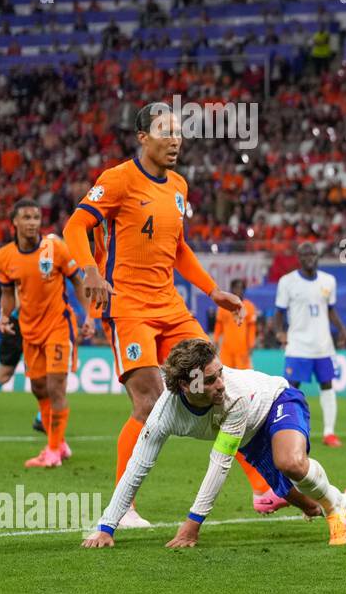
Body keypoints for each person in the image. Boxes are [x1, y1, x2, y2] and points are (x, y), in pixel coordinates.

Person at [63, 103, 258, 528]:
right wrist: (90, 271)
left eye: (179, 131)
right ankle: (123, 508)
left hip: (171, 305)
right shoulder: (117, 180)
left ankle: (263, 489)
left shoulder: (179, 186)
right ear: (142, 137)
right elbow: (74, 229)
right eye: (165, 130)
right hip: (129, 305)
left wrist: (213, 291)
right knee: (149, 402)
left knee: (218, 385)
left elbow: (180, 249)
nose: (175, 139)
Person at [81, 339, 346, 548]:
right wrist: (106, 527)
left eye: (220, 373)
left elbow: (219, 464)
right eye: (211, 380)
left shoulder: (232, 398)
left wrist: (192, 524)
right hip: (250, 440)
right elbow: (137, 467)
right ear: (187, 386)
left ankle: (336, 513)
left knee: (290, 462)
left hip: (277, 400)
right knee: (308, 504)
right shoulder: (164, 414)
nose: (221, 383)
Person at [0, 199, 95, 467]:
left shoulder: (55, 248)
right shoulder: (5, 257)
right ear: (14, 222)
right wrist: (4, 317)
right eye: (26, 218)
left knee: (55, 388)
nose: (32, 223)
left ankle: (52, 452)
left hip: (59, 327)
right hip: (29, 331)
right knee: (38, 387)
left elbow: (78, 281)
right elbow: (8, 293)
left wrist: (89, 316)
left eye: (36, 218)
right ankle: (59, 443)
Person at [272, 242, 345, 448]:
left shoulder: (328, 281)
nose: (310, 257)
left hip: (323, 346)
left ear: (317, 255)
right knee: (291, 390)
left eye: (313, 253)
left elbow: (330, 309)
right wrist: (280, 332)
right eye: (305, 254)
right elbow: (279, 312)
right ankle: (287, 430)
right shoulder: (287, 282)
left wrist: (342, 330)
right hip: (297, 345)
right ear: (299, 258)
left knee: (327, 386)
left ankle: (329, 433)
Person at [212, 278, 256, 369]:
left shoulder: (249, 306)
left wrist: (251, 344)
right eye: (236, 288)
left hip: (242, 348)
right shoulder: (223, 306)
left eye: (241, 288)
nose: (238, 290)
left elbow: (252, 328)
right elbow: (218, 326)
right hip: (226, 349)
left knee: (245, 376)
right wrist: (215, 340)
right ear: (231, 289)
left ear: (244, 290)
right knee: (226, 374)